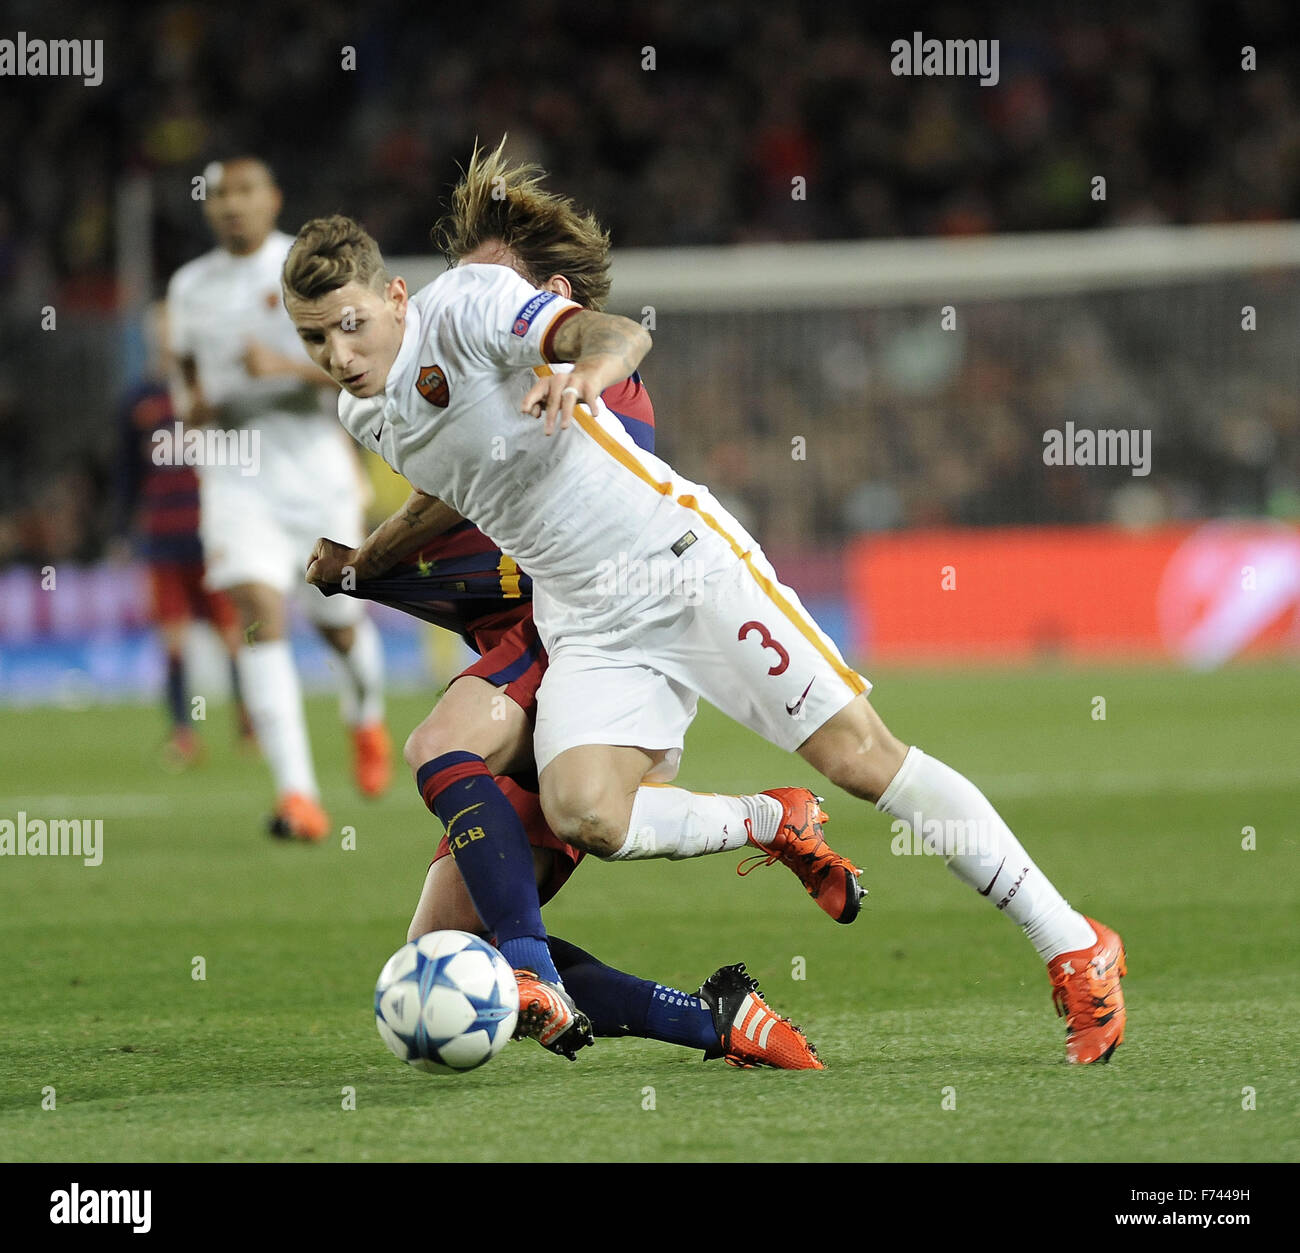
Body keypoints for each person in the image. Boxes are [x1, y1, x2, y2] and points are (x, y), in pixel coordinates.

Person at [282, 168, 1127, 1066]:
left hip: (681, 567)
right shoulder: (364, 411)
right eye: (312, 338)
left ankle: (1075, 945)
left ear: (394, 296)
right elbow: (450, 492)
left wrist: (584, 375)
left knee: (863, 757)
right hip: (586, 620)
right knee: (587, 817)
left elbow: (618, 333)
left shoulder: (470, 304)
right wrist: (366, 558)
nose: (337, 352)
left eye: (349, 324)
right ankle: (770, 820)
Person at [306, 144, 852, 1064]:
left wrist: (385, 572)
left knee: (442, 749)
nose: (464, 316)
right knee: (436, 956)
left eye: (489, 295)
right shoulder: (440, 418)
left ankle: (540, 965)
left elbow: (544, 563)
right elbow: (460, 513)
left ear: (548, 301)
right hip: (518, 658)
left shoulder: (602, 401)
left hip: (575, 650)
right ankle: (718, 1018)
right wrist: (370, 564)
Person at [166, 157, 392, 840]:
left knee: (339, 624)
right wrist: (195, 406)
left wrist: (288, 369)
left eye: (246, 192)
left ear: (272, 200)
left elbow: (365, 372)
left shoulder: (307, 271)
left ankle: (365, 712)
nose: (232, 205)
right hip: (237, 478)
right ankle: (298, 794)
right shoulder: (189, 286)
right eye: (221, 195)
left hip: (315, 476)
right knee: (259, 615)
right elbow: (183, 388)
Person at [116, 301, 250, 768]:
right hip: (162, 540)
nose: (166, 337)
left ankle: (249, 723)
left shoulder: (209, 394)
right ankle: (182, 734)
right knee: (173, 641)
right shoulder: (138, 401)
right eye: (158, 329)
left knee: (233, 635)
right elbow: (127, 474)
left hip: (213, 536)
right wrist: (122, 530)